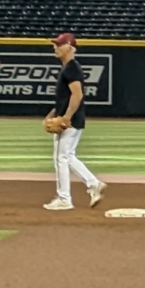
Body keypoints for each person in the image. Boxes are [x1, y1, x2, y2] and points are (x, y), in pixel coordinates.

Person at [42, 33, 106, 212]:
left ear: (70, 47)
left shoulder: (72, 68)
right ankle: (93, 184)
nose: (55, 47)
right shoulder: (68, 68)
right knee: (67, 156)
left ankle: (65, 198)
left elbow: (77, 95)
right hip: (71, 119)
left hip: (71, 120)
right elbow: (64, 99)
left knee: (62, 157)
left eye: (59, 45)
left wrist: (67, 117)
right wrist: (52, 114)